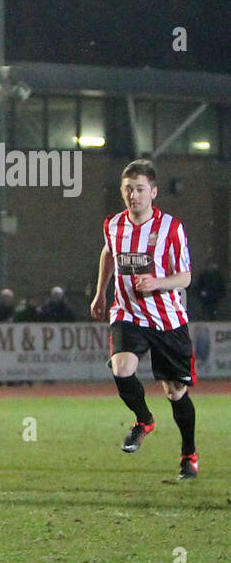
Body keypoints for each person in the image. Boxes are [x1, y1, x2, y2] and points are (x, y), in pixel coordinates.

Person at [90, 159, 198, 480]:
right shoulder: (113, 225)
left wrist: (157, 283)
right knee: (122, 369)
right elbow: (108, 253)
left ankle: (189, 455)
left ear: (153, 191)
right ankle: (144, 419)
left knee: (175, 392)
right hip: (127, 313)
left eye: (139, 189)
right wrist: (100, 294)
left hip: (167, 320)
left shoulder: (171, 228)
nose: (133, 196)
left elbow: (186, 276)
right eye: (127, 190)